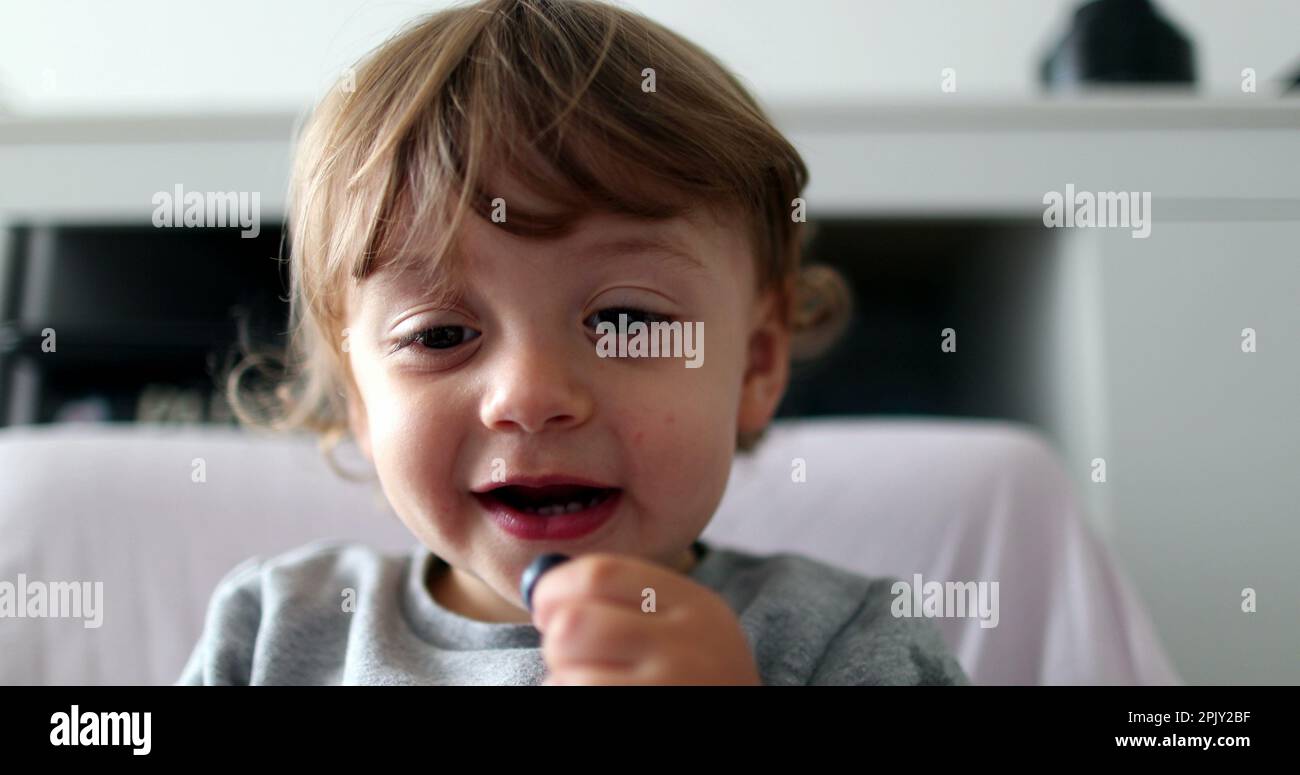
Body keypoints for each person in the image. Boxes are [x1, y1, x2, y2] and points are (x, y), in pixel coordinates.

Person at [176, 0, 969, 686]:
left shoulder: (847, 641)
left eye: (626, 321)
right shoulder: (274, 632)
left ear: (757, 362)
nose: (528, 395)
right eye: (441, 334)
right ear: (358, 396)